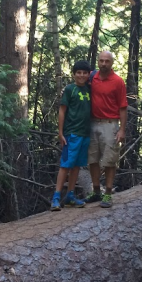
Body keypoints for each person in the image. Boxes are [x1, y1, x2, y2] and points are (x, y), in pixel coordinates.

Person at [86, 50, 127, 208]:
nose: (103, 64)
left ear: (112, 63)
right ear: (98, 61)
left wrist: (122, 129)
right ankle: (96, 191)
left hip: (110, 124)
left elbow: (123, 107)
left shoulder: (118, 81)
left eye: (107, 61)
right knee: (93, 159)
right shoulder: (92, 78)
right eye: (101, 61)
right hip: (92, 123)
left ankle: (108, 193)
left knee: (110, 160)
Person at [51, 60, 92, 211]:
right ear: (74, 74)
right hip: (71, 133)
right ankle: (56, 197)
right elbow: (62, 110)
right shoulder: (70, 89)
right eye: (78, 73)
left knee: (77, 166)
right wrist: (60, 132)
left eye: (85, 73)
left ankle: (70, 195)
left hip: (85, 134)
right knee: (66, 165)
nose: (81, 75)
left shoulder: (89, 89)